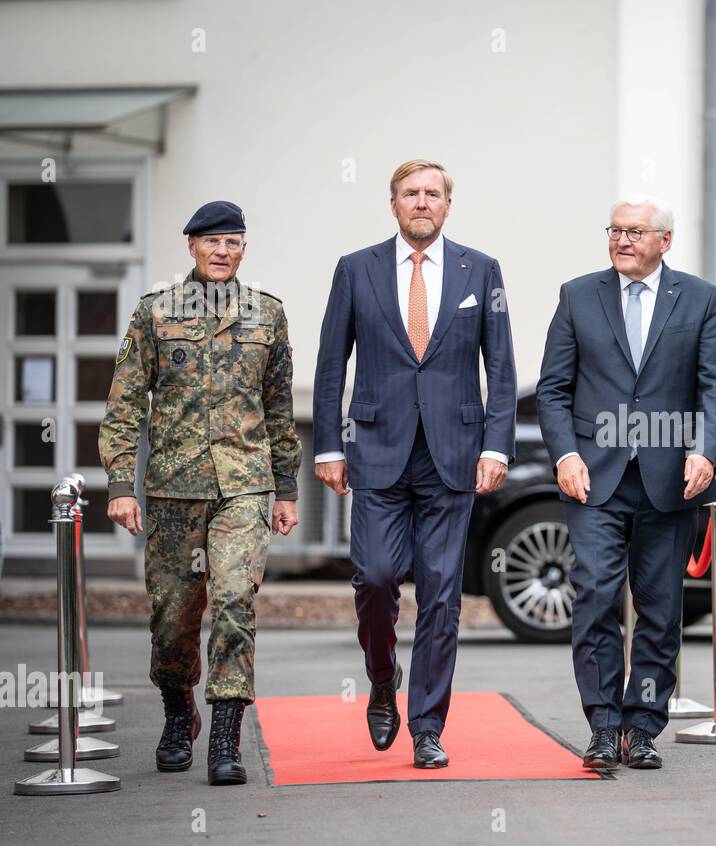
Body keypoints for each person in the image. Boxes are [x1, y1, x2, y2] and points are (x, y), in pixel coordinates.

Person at [314, 160, 516, 769]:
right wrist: (328, 445)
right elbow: (330, 365)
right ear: (393, 204)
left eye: (433, 193)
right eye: (410, 194)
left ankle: (427, 725)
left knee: (441, 593)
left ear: (448, 205)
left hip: (453, 455)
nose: (421, 202)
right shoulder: (357, 269)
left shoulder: (481, 270)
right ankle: (382, 679)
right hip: (377, 451)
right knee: (375, 578)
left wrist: (496, 445)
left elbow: (501, 368)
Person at [99, 200, 301, 786]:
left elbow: (280, 410)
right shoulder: (155, 314)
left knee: (236, 602)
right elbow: (125, 406)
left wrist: (285, 489)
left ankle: (225, 736)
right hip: (172, 490)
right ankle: (176, 712)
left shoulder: (267, 316)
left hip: (243, 486)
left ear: (244, 249)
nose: (222, 251)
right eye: (211, 241)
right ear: (191, 246)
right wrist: (120, 485)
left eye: (233, 242)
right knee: (173, 618)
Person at [537, 195, 716, 770]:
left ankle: (642, 727)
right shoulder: (578, 295)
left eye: (635, 232)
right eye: (614, 231)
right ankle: (602, 726)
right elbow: (553, 389)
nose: (621, 240)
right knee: (596, 592)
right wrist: (565, 455)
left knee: (660, 606)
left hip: (668, 478)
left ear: (664, 241)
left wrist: (704, 451)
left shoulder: (700, 299)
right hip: (592, 478)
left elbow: (715, 388)